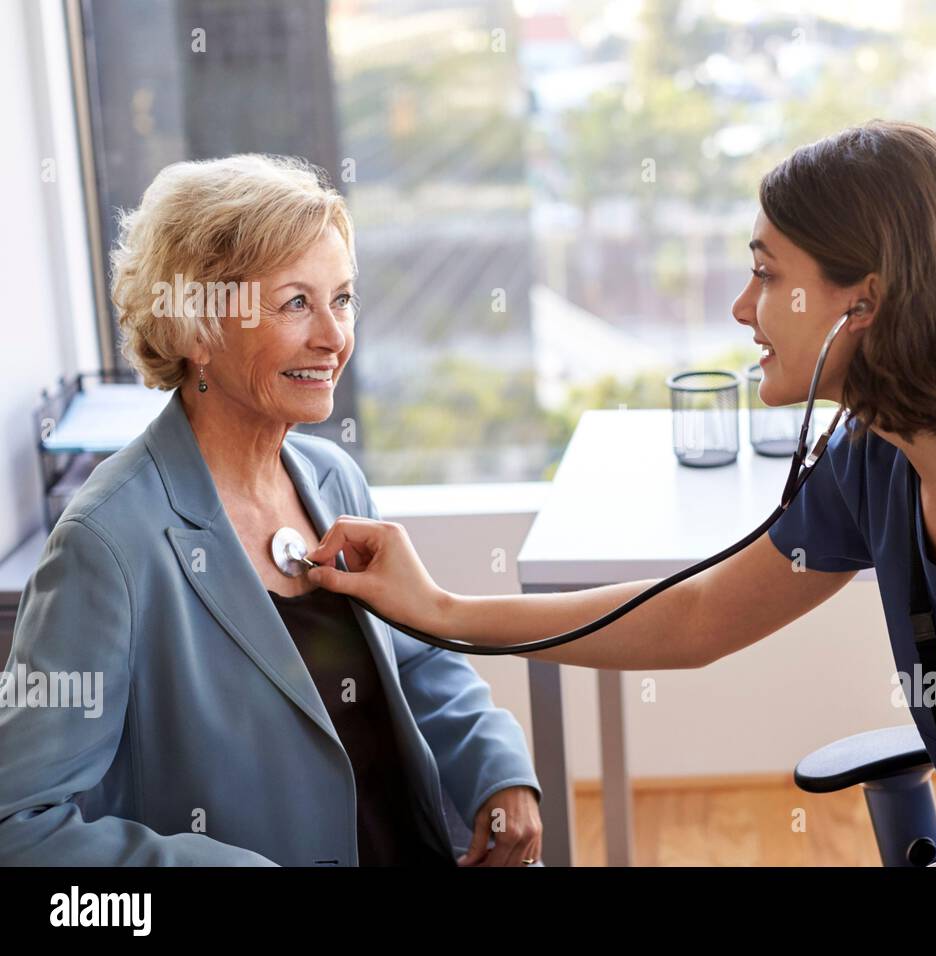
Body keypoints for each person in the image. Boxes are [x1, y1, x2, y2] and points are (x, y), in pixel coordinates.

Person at [305, 121, 936, 867]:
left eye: (765, 276)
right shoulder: (883, 450)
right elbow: (694, 617)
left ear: (862, 301)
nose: (742, 309)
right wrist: (437, 608)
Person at [0, 154, 541, 866]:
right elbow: (22, 822)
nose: (333, 336)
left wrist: (498, 771)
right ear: (197, 328)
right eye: (295, 304)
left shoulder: (333, 479)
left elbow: (414, 665)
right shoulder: (107, 543)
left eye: (342, 299)